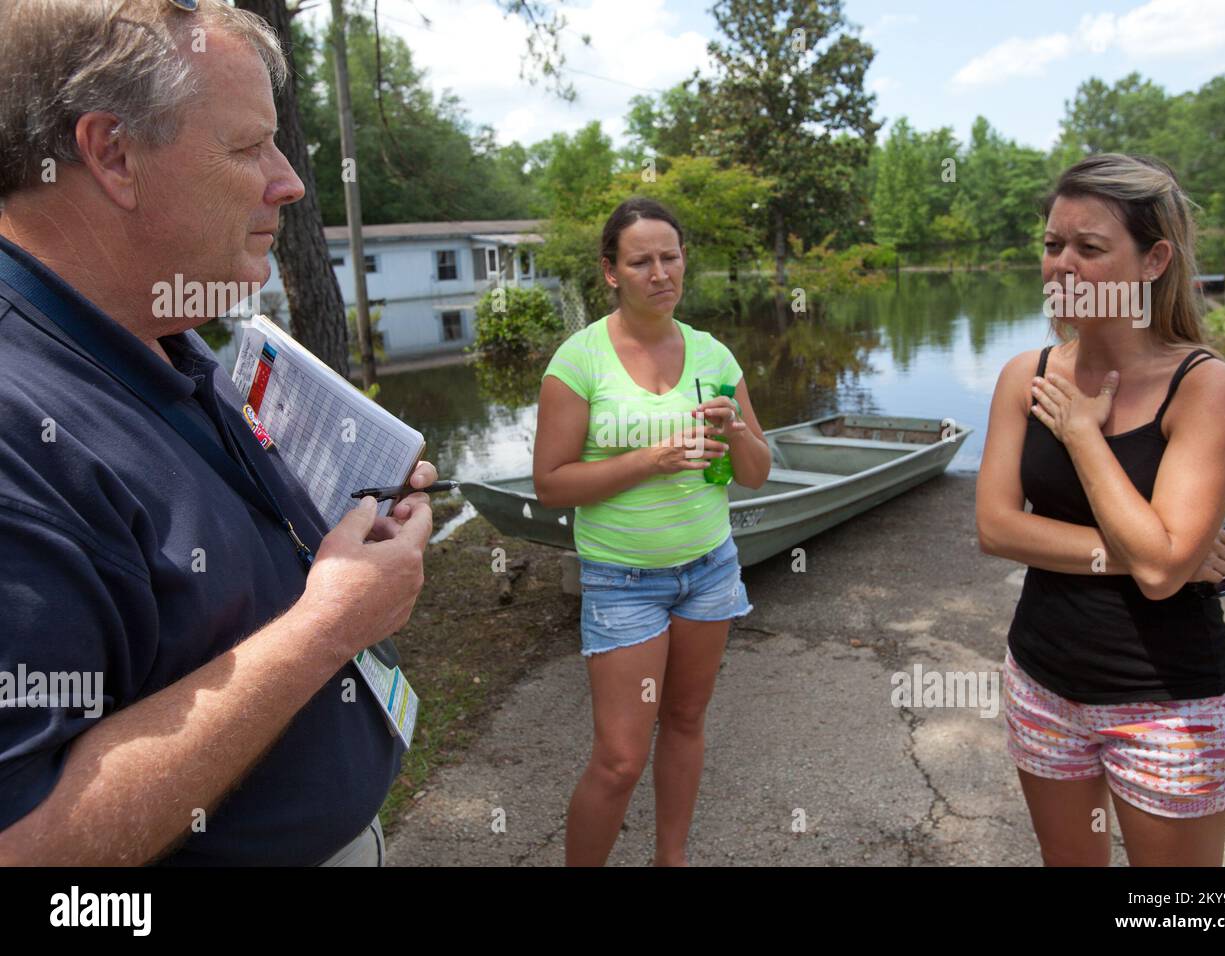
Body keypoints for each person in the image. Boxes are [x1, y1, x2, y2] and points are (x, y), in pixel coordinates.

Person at [0, 0, 436, 865]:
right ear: (112, 153)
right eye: (247, 147)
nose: (289, 181)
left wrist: (343, 533)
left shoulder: (154, 324)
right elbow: (26, 842)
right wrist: (329, 627)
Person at [976, 154, 1225, 866]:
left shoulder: (1206, 386)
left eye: (1090, 248)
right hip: (1042, 684)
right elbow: (997, 526)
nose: (1061, 265)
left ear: (1154, 259)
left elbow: (1162, 574)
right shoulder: (1026, 375)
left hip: (1169, 706)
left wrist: (1080, 435)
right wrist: (1149, 546)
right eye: (1052, 245)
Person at [533, 197, 771, 866]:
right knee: (618, 759)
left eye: (670, 257)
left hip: (708, 571)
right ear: (611, 272)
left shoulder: (713, 354)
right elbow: (551, 484)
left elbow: (754, 473)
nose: (660, 272)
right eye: (641, 261)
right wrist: (656, 459)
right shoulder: (578, 362)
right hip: (621, 581)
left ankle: (671, 859)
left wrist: (737, 433)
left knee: (688, 721)